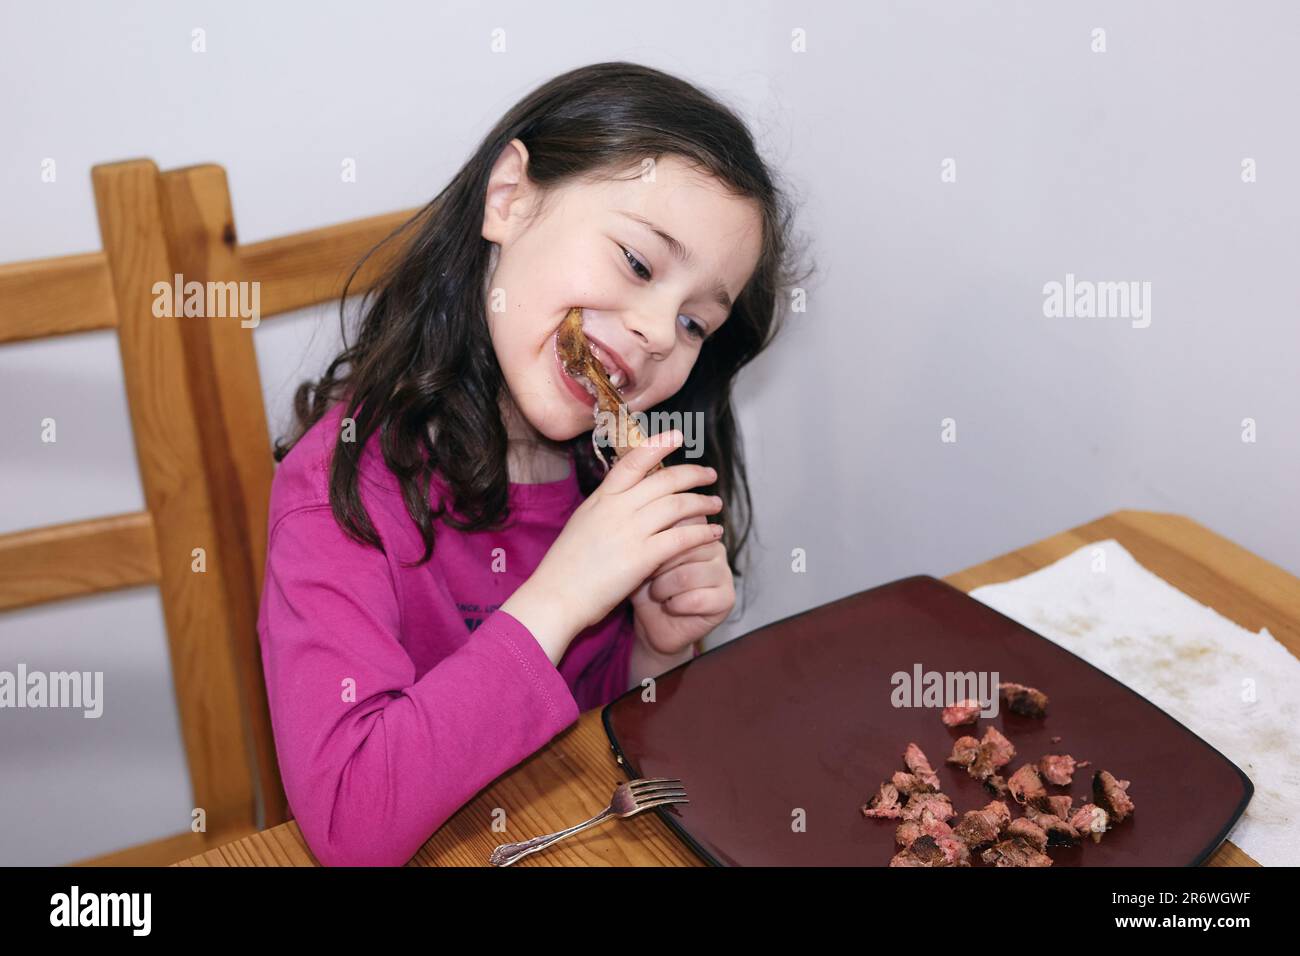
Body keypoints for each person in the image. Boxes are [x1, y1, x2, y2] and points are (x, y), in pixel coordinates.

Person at [258, 61, 805, 866]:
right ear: (509, 196)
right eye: (640, 263)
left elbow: (590, 757)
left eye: (695, 322)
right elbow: (351, 824)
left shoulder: (603, 471)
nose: (659, 330)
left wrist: (656, 647)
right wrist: (560, 594)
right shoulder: (338, 496)